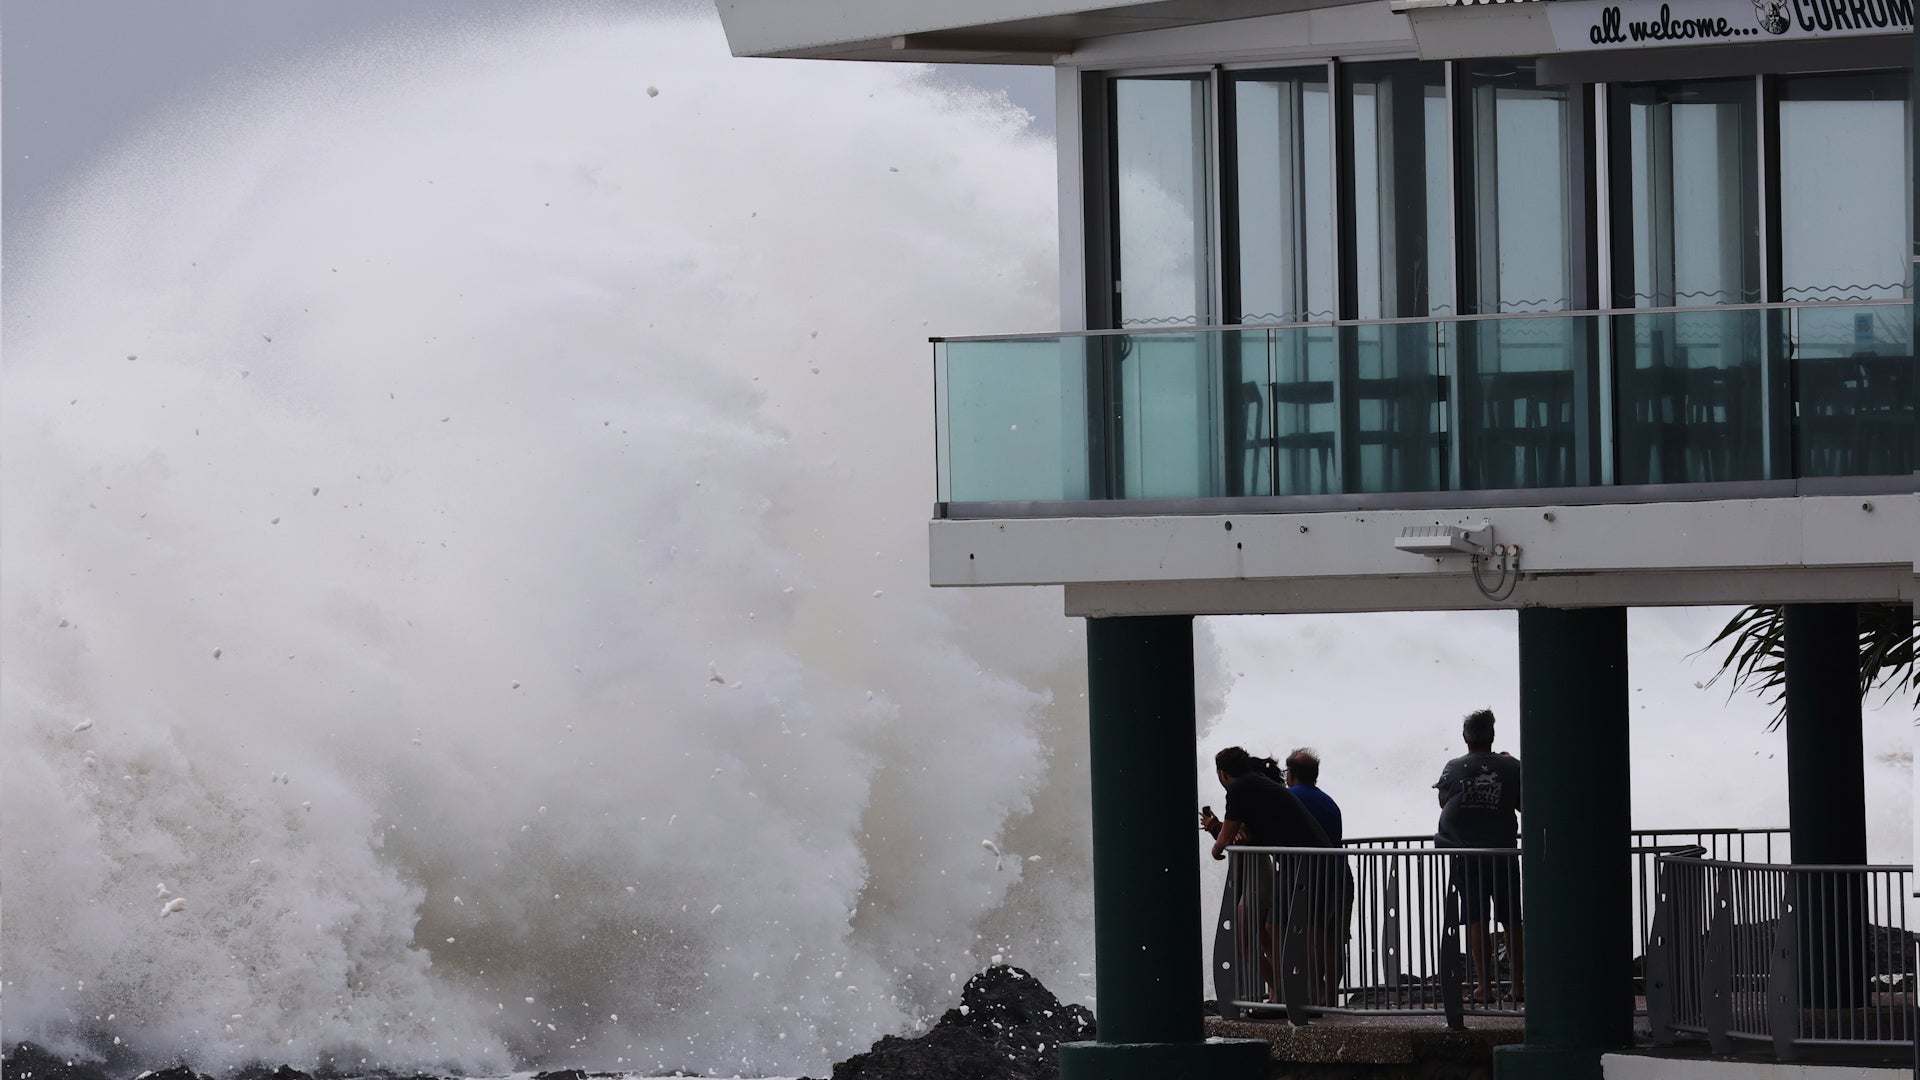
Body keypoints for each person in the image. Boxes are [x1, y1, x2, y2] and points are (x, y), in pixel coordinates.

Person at [1200, 747, 1331, 1005]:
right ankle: (1291, 992)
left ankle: (1286, 993)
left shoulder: (1239, 789)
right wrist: (1220, 831)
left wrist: (1216, 846)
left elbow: (1229, 838)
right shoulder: (1257, 786)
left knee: (1254, 935)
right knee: (1268, 932)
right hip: (1307, 862)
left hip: (1298, 865)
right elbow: (1244, 834)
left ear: (1222, 773)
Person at [1434, 709, 1525, 1005]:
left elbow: (1443, 802)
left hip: (1468, 854)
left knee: (1476, 919)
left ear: (1465, 737)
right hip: (1504, 852)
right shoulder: (1512, 766)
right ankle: (1519, 986)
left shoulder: (1454, 767)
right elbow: (1525, 803)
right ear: (1493, 735)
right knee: (1512, 920)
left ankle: (1484, 987)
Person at [1285, 748, 1351, 1006]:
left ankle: (1314, 994)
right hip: (1339, 873)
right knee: (1334, 939)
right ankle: (1330, 995)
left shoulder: (1289, 797)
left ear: (1290, 775)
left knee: (1312, 936)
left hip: (1311, 876)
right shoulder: (1328, 801)